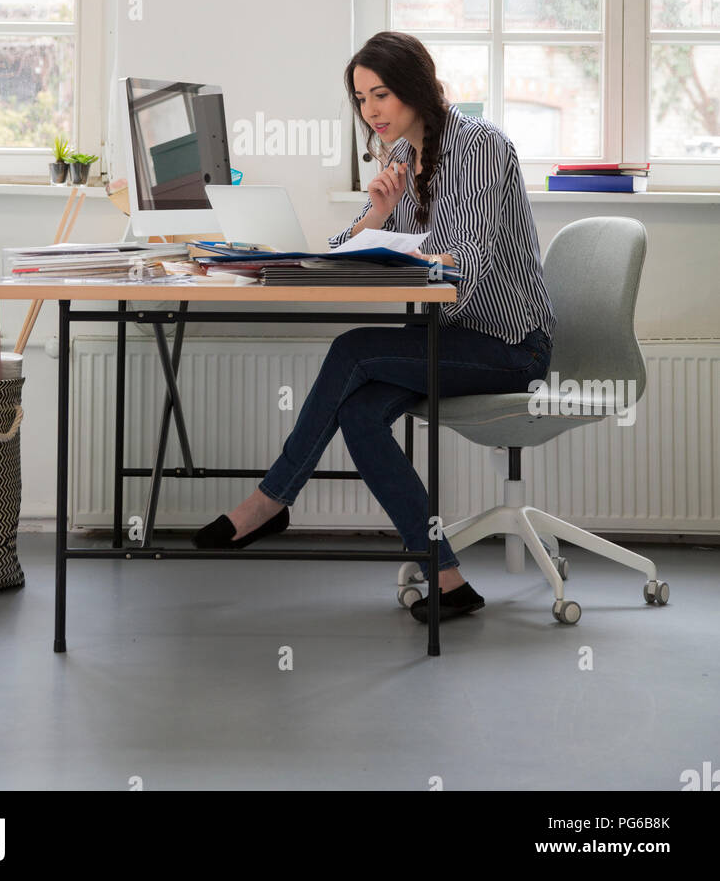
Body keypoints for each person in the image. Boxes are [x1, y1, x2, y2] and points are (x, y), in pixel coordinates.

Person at [193, 31, 556, 624]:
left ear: (414, 88)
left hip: (509, 344)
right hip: (452, 337)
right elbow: (344, 253)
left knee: (353, 350)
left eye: (380, 95)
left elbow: (461, 268)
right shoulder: (400, 157)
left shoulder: (480, 149)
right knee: (359, 413)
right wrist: (378, 213)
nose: (371, 111)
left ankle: (270, 499)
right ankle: (447, 578)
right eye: (361, 99)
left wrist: (402, 257)